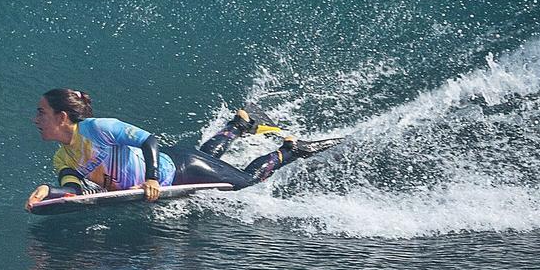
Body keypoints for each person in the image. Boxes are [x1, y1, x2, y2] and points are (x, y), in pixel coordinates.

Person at [26, 88, 337, 210]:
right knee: (208, 156)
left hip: (179, 169)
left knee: (243, 182)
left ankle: (290, 150)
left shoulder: (97, 128)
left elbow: (149, 140)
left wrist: (151, 179)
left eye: (41, 112)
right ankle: (238, 125)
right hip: (175, 161)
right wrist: (47, 192)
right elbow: (74, 190)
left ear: (62, 117)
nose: (36, 119)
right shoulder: (62, 157)